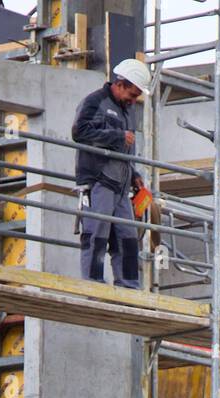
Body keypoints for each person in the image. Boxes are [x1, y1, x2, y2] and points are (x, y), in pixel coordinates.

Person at [71, 58, 151, 289]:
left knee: (127, 237)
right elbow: (80, 131)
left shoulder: (126, 111)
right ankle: (93, 283)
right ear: (121, 83)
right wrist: (117, 136)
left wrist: (134, 173)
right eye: (132, 94)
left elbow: (122, 150)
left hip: (121, 185)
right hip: (99, 181)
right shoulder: (96, 101)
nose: (133, 100)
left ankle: (129, 286)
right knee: (97, 234)